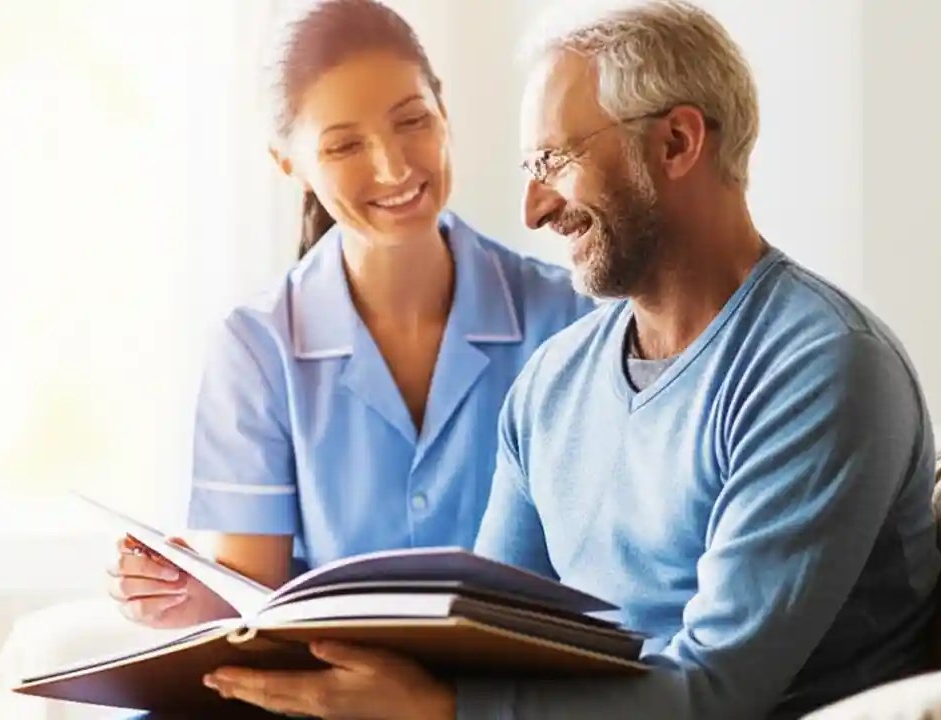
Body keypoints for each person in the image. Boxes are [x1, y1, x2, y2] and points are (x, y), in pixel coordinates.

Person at [198, 2, 941, 718]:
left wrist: (439, 711)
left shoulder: (820, 368)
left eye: (553, 160)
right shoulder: (552, 382)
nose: (534, 209)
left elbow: (715, 693)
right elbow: (484, 638)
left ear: (678, 143)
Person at [108, 0, 595, 631]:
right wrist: (177, 591)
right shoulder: (257, 348)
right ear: (290, 163)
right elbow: (256, 601)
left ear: (443, 111)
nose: (393, 167)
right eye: (344, 146)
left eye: (413, 120)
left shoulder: (566, 317)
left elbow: (604, 564)